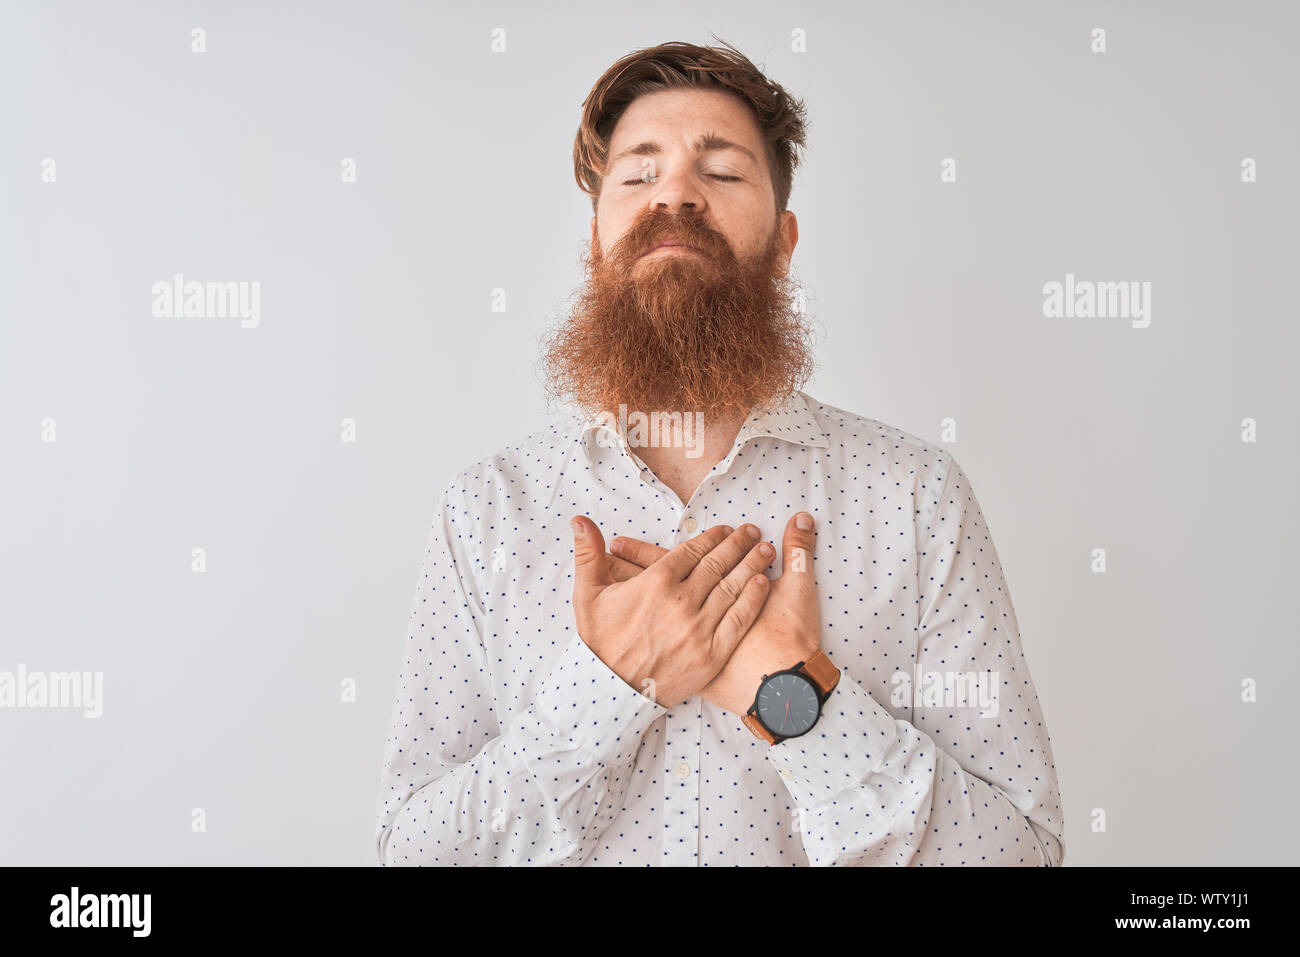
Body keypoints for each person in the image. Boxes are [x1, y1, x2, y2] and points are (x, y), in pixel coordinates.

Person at [375, 38, 1064, 866]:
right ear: (596, 241)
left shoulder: (916, 496)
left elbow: (1022, 852)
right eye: (638, 173)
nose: (676, 194)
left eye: (724, 172)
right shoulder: (488, 507)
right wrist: (609, 685)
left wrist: (793, 698)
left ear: (784, 238)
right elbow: (412, 853)